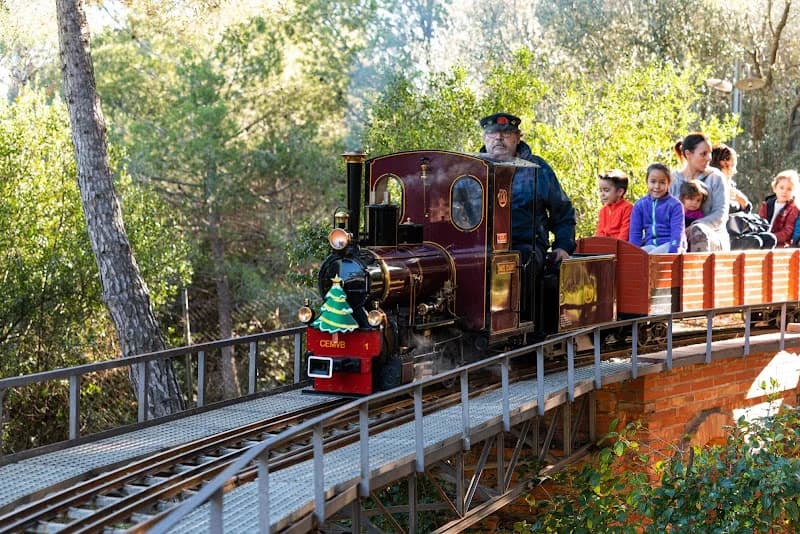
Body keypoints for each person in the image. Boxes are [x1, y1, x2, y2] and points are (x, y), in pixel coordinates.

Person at [479, 112, 576, 272]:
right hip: (480, 248)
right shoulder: (470, 170)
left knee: (510, 267)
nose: (498, 138)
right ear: (484, 138)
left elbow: (563, 214)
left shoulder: (538, 169)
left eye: (506, 133)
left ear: (518, 137)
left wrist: (563, 247)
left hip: (526, 247)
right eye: (492, 133)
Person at [669, 132, 730, 252]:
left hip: (713, 236)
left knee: (697, 232)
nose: (709, 158)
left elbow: (720, 215)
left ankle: (698, 269)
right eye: (704, 154)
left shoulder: (716, 177)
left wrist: (693, 227)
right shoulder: (672, 179)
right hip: (677, 236)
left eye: (710, 153)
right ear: (688, 154)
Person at [629, 163, 686, 253]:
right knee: (639, 257)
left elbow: (677, 233)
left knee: (649, 258)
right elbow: (635, 234)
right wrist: (632, 254)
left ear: (668, 183)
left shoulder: (675, 205)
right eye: (653, 181)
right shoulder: (640, 205)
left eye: (662, 182)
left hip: (671, 245)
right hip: (651, 246)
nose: (657, 186)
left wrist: (673, 252)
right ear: (647, 181)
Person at [759, 170, 800, 247]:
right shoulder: (767, 205)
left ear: (794, 191)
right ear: (775, 188)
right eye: (781, 188)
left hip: (781, 244)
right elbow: (760, 223)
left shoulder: (793, 208)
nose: (784, 191)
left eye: (789, 189)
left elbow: (787, 232)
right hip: (763, 240)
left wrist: (770, 237)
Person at [710, 144, 752, 214]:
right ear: (723, 163)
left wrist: (744, 202)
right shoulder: (711, 186)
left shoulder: (731, 186)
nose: (735, 171)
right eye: (732, 166)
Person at [595, 169, 633, 240]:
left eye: (606, 190)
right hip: (605, 247)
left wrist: (614, 247)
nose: (602, 194)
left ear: (620, 192)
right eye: (600, 190)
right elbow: (600, 233)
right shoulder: (603, 211)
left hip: (620, 247)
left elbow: (625, 233)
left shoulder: (627, 208)